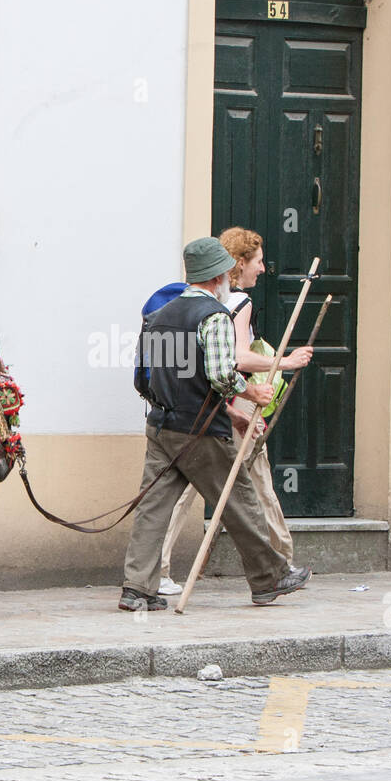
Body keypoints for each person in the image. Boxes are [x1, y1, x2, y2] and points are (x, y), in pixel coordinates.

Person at [120, 237, 312, 610]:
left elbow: (147, 380)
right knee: (240, 500)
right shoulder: (214, 316)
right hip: (201, 432)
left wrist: (232, 413)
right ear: (218, 276)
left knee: (152, 509)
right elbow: (222, 375)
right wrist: (250, 395)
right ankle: (269, 578)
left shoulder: (159, 317)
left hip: (161, 427)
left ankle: (137, 588)